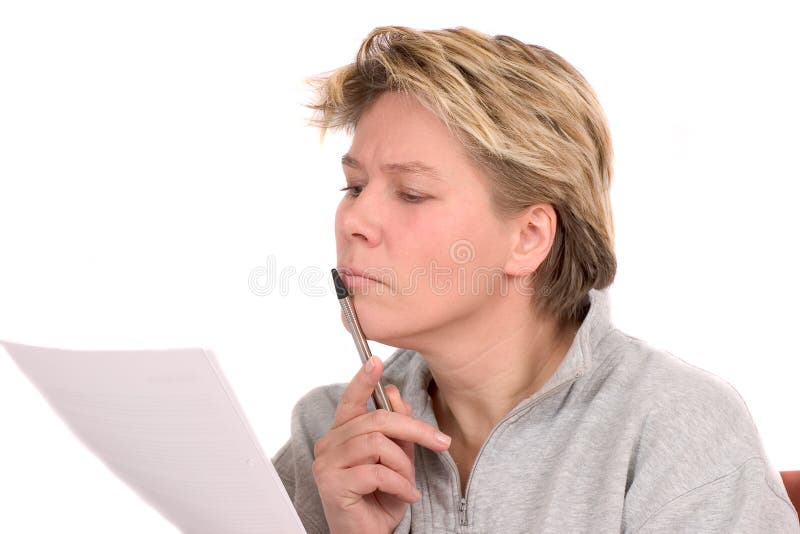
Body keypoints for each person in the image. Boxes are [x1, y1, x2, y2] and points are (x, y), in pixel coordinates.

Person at [271, 25, 800, 533]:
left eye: (411, 193)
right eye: (354, 186)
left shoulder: (673, 432)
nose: (355, 222)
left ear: (528, 237)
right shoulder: (327, 438)